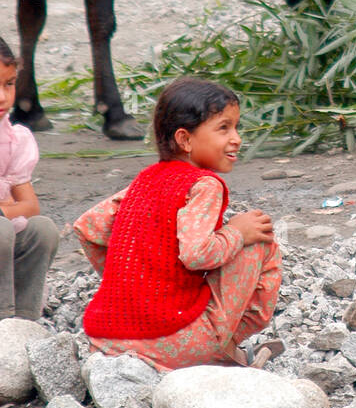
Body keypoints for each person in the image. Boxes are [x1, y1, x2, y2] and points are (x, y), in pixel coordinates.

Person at [74, 77, 283, 371]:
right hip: (172, 343)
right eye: (224, 128)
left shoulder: (146, 179)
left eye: (236, 127)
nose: (236, 138)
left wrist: (131, 282)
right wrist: (237, 232)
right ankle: (224, 349)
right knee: (260, 238)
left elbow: (89, 227)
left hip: (106, 341)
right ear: (185, 140)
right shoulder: (204, 185)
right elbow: (196, 254)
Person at [0, 36, 59, 320]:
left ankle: (23, 324)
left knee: (42, 230)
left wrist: (2, 211)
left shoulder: (13, 139)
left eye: (9, 84)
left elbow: (30, 207)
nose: (3, 97)